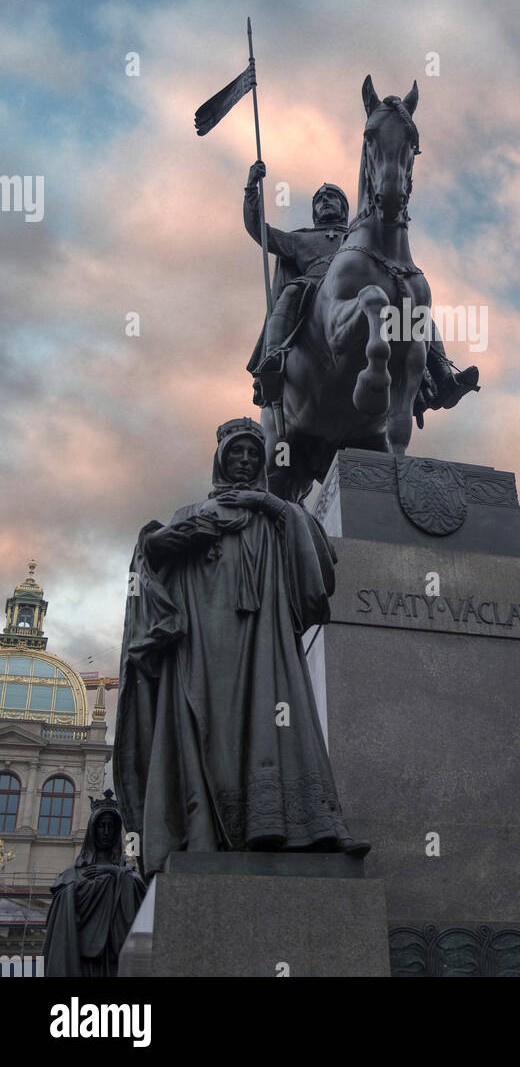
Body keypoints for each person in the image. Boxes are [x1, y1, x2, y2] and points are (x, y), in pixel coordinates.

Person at [114, 418, 368, 876]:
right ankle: (205, 832)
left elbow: (320, 564)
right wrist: (158, 542)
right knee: (208, 731)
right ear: (221, 459)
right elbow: (148, 566)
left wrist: (268, 502)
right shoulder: (192, 512)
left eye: (253, 453)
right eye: (237, 453)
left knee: (276, 723)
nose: (246, 460)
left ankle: (291, 828)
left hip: (265, 641)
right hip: (204, 648)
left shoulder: (276, 514)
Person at [243, 161, 478, 415]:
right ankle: (274, 359)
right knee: (291, 292)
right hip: (315, 289)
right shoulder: (300, 238)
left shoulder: (360, 235)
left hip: (359, 290)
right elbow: (260, 232)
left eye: (331, 197)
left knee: (413, 307)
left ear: (344, 207)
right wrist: (251, 190)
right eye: (320, 200)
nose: (325, 202)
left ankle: (442, 376)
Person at [43, 791, 146, 977]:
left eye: (111, 827)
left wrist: (113, 873)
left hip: (113, 954)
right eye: (102, 826)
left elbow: (141, 897)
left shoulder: (126, 870)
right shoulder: (74, 871)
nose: (106, 832)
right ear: (93, 829)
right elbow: (61, 911)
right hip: (81, 956)